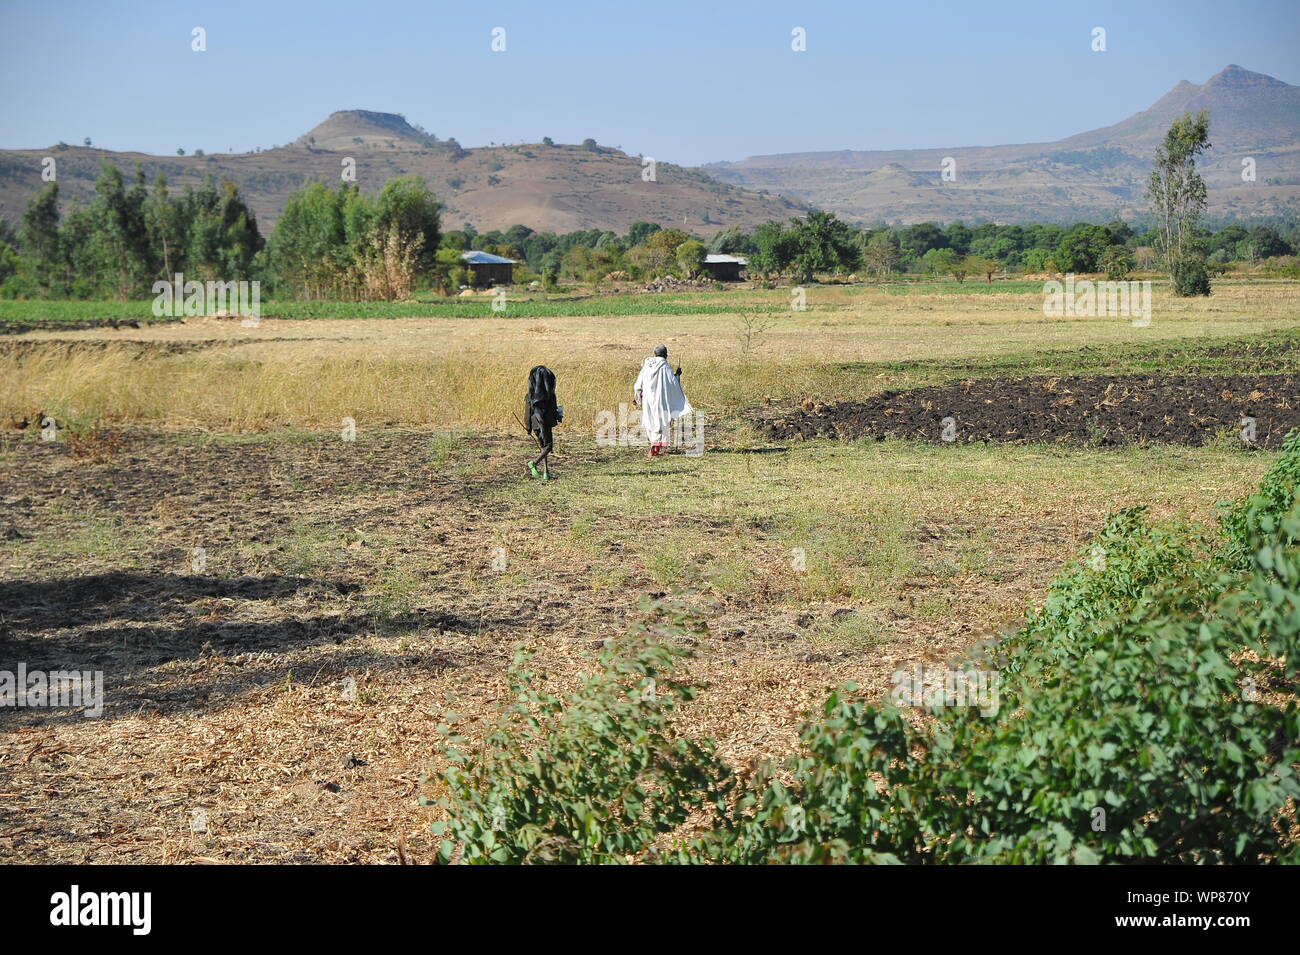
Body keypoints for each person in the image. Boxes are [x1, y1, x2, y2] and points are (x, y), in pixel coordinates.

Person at [632, 345, 691, 458]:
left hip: (648, 400)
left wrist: (636, 396)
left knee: (651, 422)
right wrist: (677, 375)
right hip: (660, 400)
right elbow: (673, 383)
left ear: (655, 354)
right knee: (661, 423)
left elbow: (638, 383)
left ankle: (655, 449)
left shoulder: (647, 365)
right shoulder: (665, 366)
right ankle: (653, 450)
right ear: (665, 355)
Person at [523, 365, 562, 479]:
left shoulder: (529, 396)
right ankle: (534, 463)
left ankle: (546, 472)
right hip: (545, 422)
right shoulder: (550, 396)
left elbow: (527, 413)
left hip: (535, 423)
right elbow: (554, 410)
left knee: (542, 447)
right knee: (548, 447)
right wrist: (558, 417)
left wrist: (528, 428)